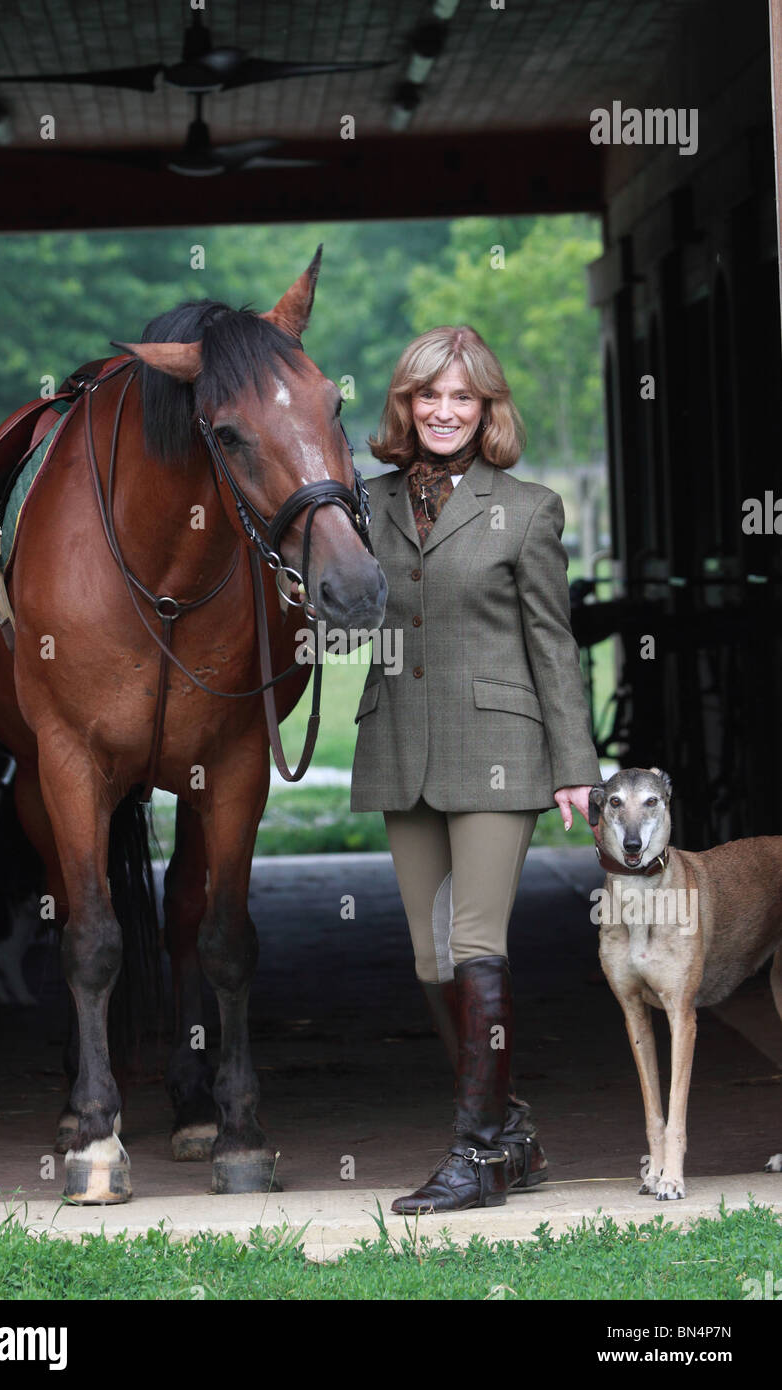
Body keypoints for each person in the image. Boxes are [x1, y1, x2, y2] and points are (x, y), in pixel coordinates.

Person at [350, 325, 601, 1212]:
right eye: (428, 396)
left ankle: (475, 1152)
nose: (444, 412)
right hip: (398, 742)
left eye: (463, 397)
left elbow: (552, 642)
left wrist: (576, 765)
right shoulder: (361, 501)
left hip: (500, 747)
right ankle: (512, 1129)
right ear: (406, 406)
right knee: (429, 961)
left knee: (476, 947)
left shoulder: (527, 508)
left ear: (487, 408)